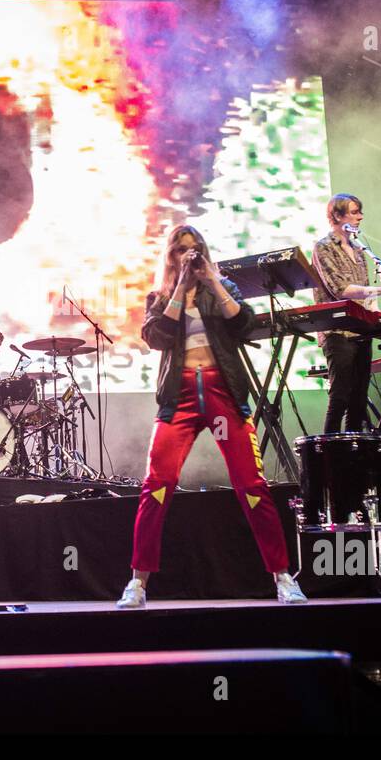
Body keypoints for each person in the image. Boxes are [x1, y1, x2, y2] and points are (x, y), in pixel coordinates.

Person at [117, 225, 306, 609]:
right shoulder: (160, 297)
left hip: (223, 392)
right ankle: (137, 583)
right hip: (180, 397)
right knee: (157, 484)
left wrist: (212, 281)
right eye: (182, 250)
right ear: (171, 256)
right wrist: (181, 288)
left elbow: (244, 324)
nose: (189, 255)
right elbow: (157, 337)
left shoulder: (224, 288)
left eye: (195, 249)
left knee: (252, 485)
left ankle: (283, 578)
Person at [311, 193, 381, 434]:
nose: (360, 217)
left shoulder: (359, 250)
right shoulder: (323, 247)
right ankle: (329, 455)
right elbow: (339, 289)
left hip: (361, 328)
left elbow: (365, 291)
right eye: (354, 212)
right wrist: (379, 290)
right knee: (340, 395)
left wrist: (376, 315)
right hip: (337, 330)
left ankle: (353, 456)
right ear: (336, 216)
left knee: (358, 399)